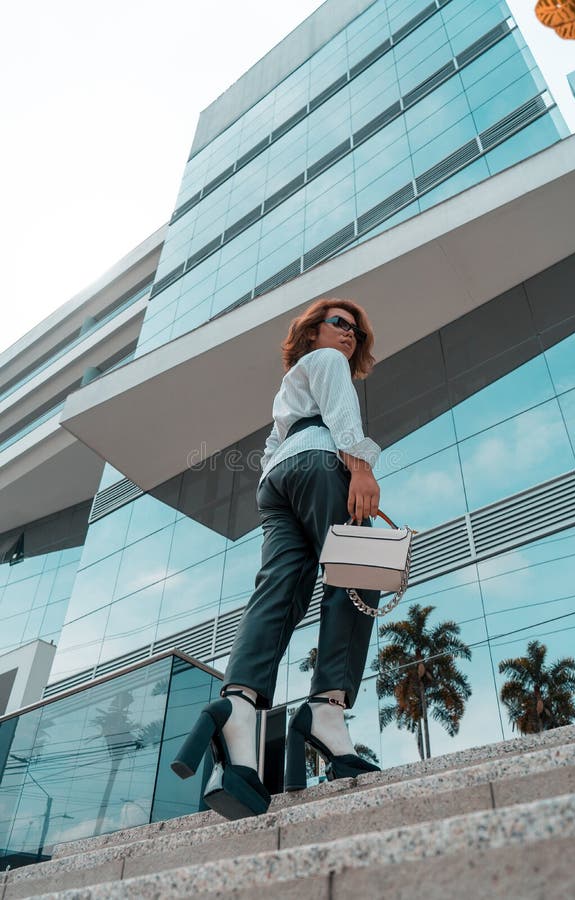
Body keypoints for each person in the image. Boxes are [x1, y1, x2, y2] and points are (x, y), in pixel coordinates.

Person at [171, 298, 382, 819]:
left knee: (278, 592)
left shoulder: (287, 390)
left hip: (276, 482)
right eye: (339, 324)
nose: (349, 335)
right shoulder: (327, 362)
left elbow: (271, 451)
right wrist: (360, 469)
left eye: (356, 332)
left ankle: (238, 707)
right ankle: (326, 711)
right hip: (321, 462)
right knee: (359, 569)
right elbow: (340, 415)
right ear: (312, 333)